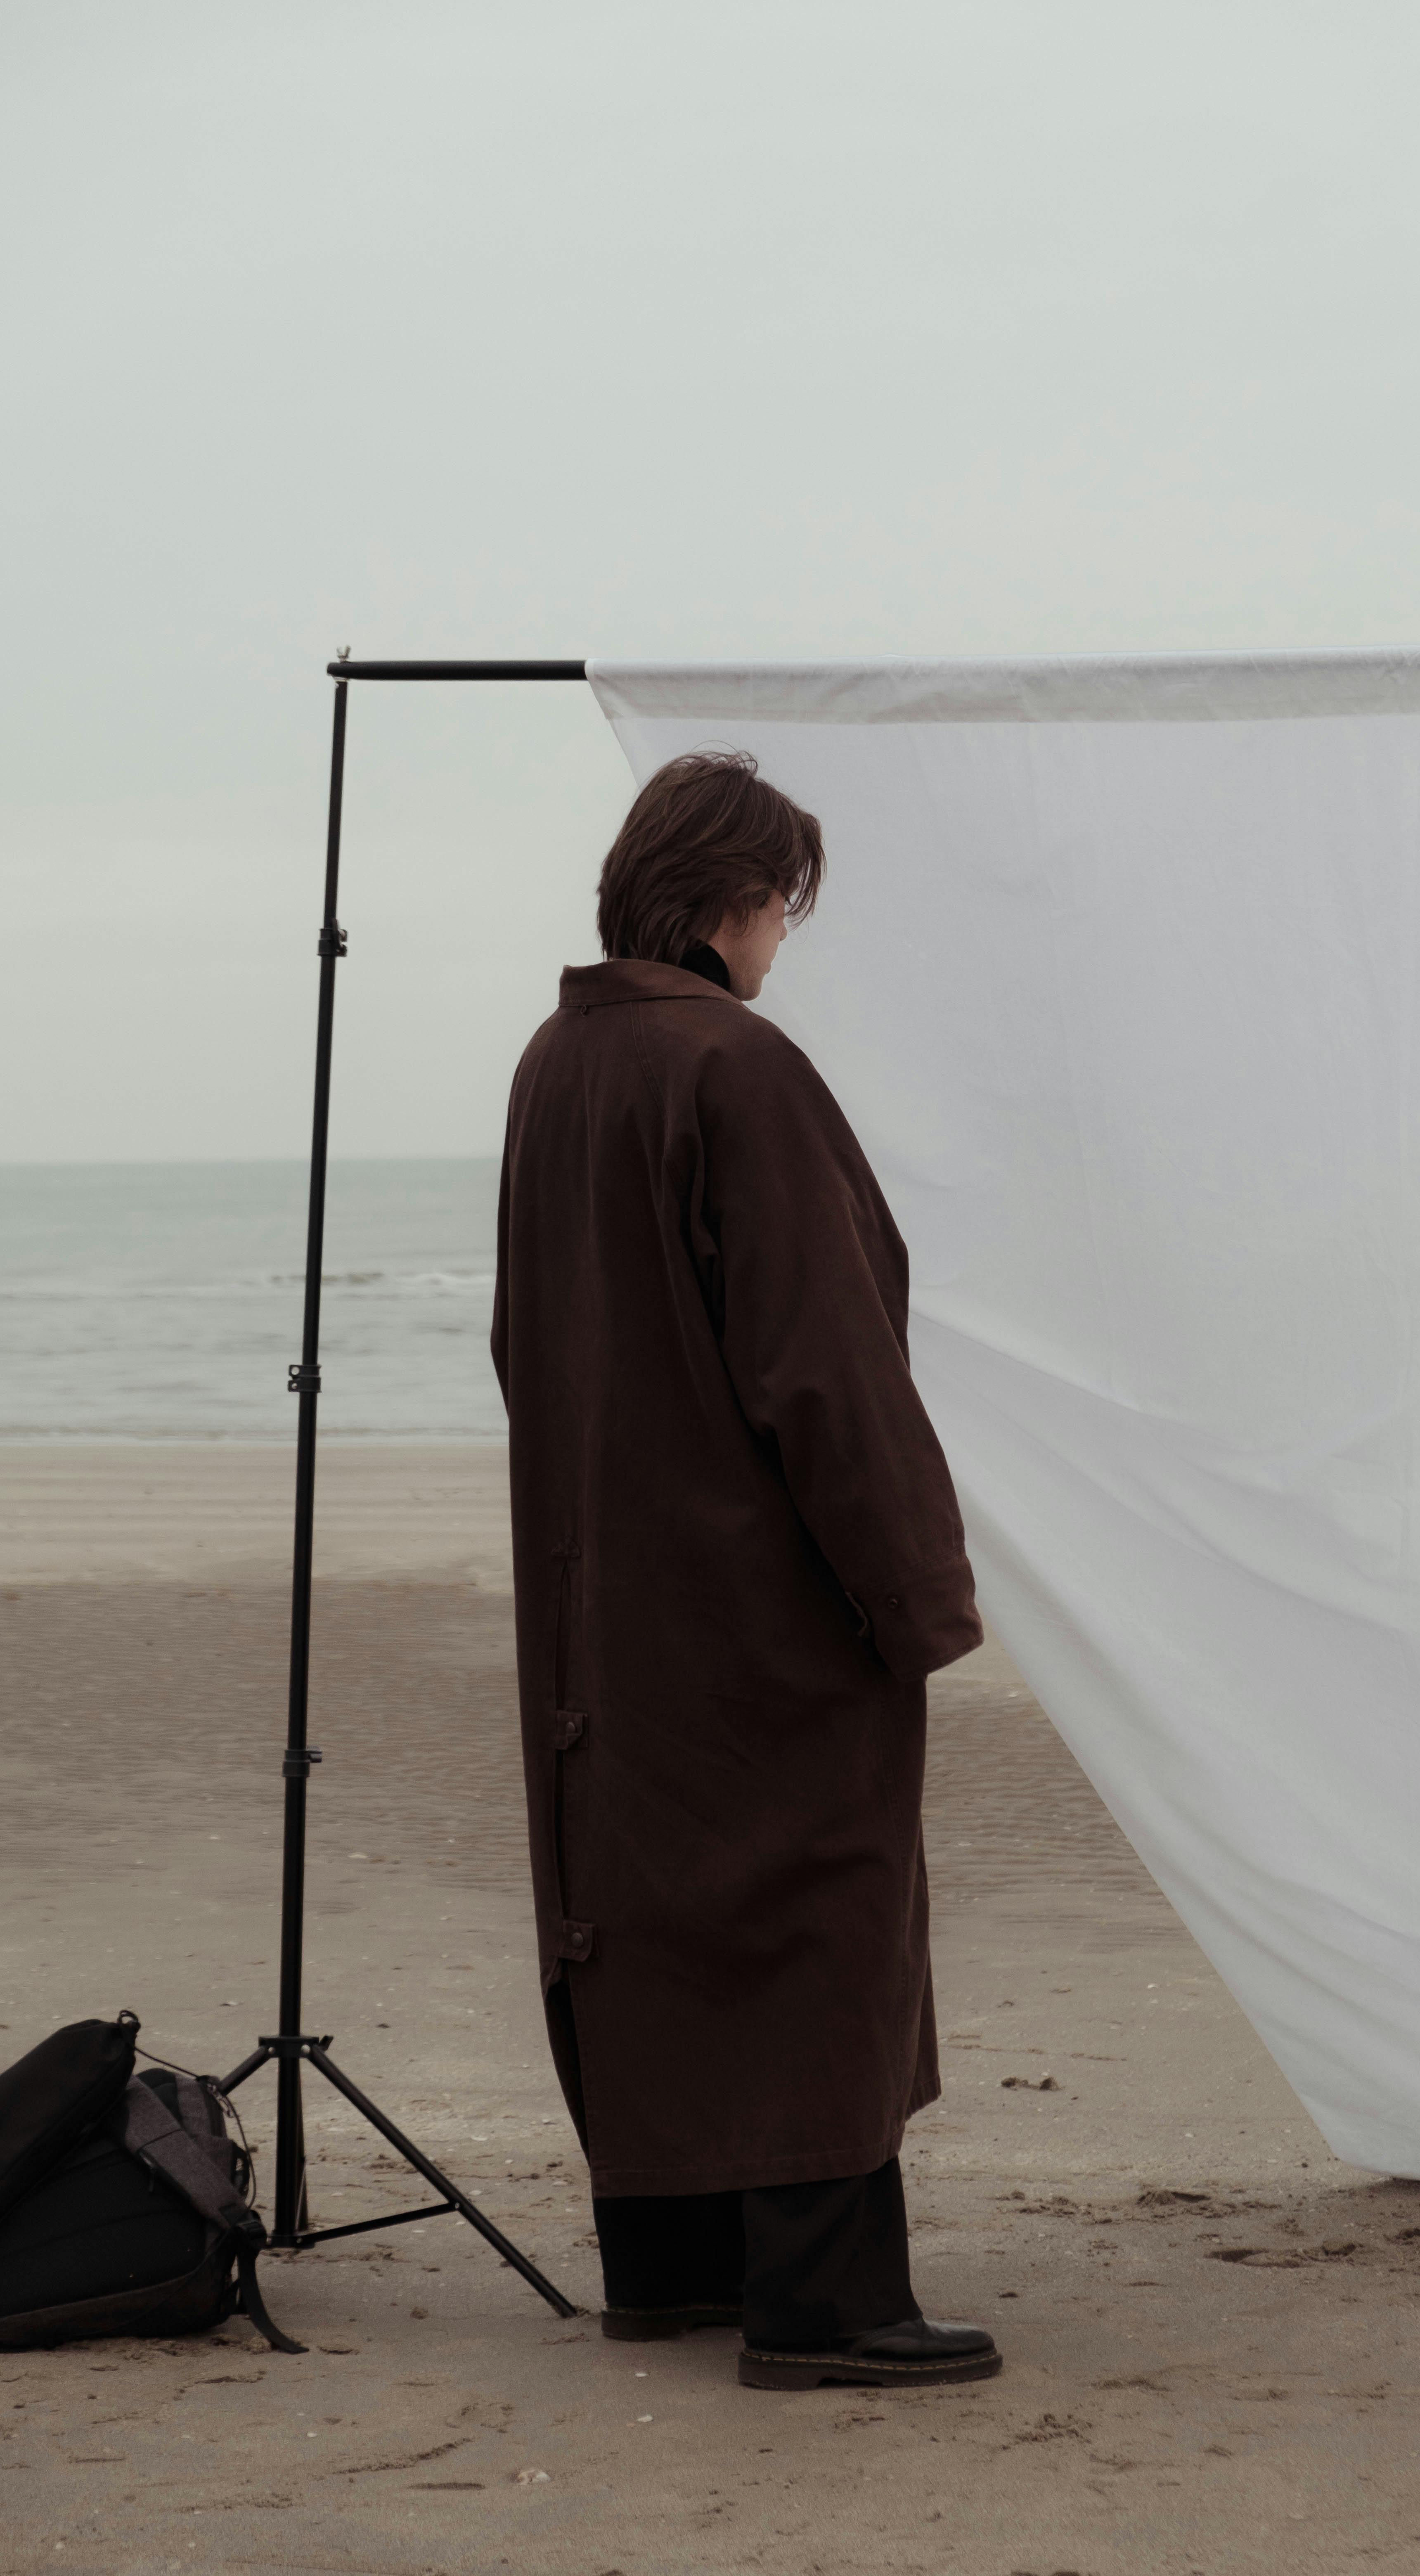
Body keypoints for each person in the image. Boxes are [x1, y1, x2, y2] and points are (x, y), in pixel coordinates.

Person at [490, 750, 1001, 2391]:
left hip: (606, 1581)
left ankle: (669, 2262)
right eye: (782, 900)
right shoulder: (735, 1065)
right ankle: (822, 2300)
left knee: (648, 1905)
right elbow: (822, 1366)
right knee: (818, 1901)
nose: (784, 931)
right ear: (729, 895)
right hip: (755, 1582)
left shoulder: (554, 1067)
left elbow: (527, 1340)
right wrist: (912, 1594)